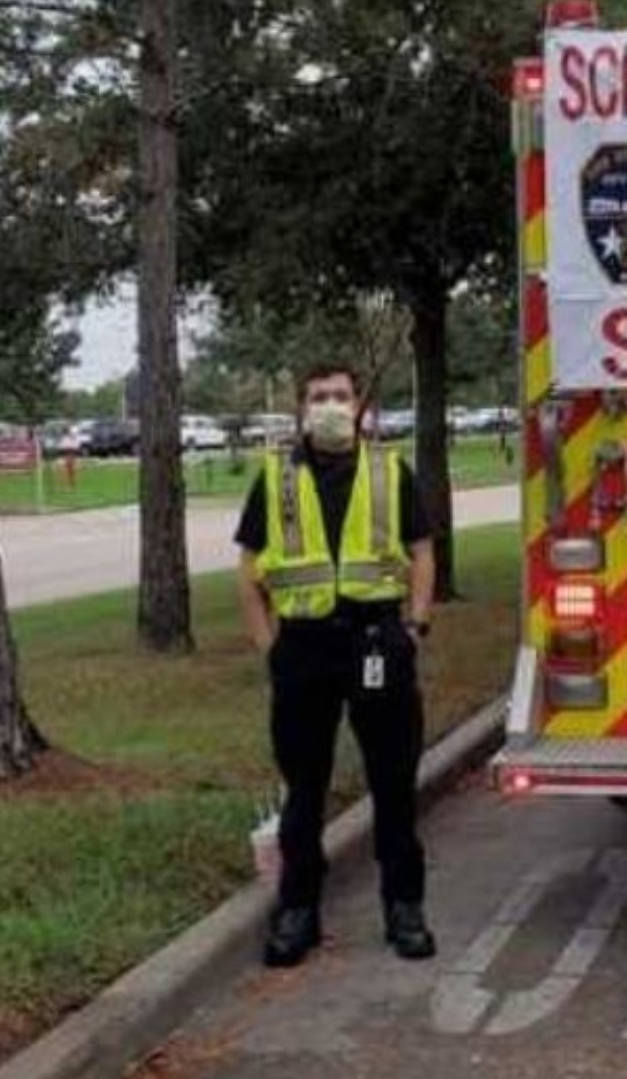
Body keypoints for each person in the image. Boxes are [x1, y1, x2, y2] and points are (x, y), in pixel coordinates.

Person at [235, 362, 438, 968]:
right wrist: (268, 648)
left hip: (379, 641)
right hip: (303, 648)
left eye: (340, 396)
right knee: (304, 789)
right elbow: (249, 574)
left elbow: (422, 551)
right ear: (301, 408)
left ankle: (404, 907)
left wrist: (416, 624)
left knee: (394, 785)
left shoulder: (389, 470)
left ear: (359, 407)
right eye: (319, 396)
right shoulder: (275, 477)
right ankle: (298, 911)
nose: (330, 404)